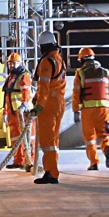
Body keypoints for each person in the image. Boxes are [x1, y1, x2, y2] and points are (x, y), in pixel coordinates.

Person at [31, 30, 67, 184]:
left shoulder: (47, 61)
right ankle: (52, 171)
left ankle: (51, 173)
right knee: (53, 141)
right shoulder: (59, 59)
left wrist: (39, 104)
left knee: (47, 141)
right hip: (58, 102)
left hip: (49, 104)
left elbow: (44, 87)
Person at [72, 48, 109, 170]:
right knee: (104, 133)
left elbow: (76, 92)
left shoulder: (80, 72)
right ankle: (107, 149)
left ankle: (94, 162)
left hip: (88, 108)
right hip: (104, 108)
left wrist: (75, 110)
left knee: (89, 137)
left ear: (82, 59)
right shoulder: (105, 71)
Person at [2, 52, 33, 170]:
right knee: (15, 137)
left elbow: (26, 90)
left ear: (20, 63)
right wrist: (5, 111)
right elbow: (7, 95)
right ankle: (18, 160)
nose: (11, 65)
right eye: (10, 63)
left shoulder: (23, 75)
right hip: (12, 111)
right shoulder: (10, 77)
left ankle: (30, 160)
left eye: (14, 63)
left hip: (22, 112)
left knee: (28, 137)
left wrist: (24, 103)